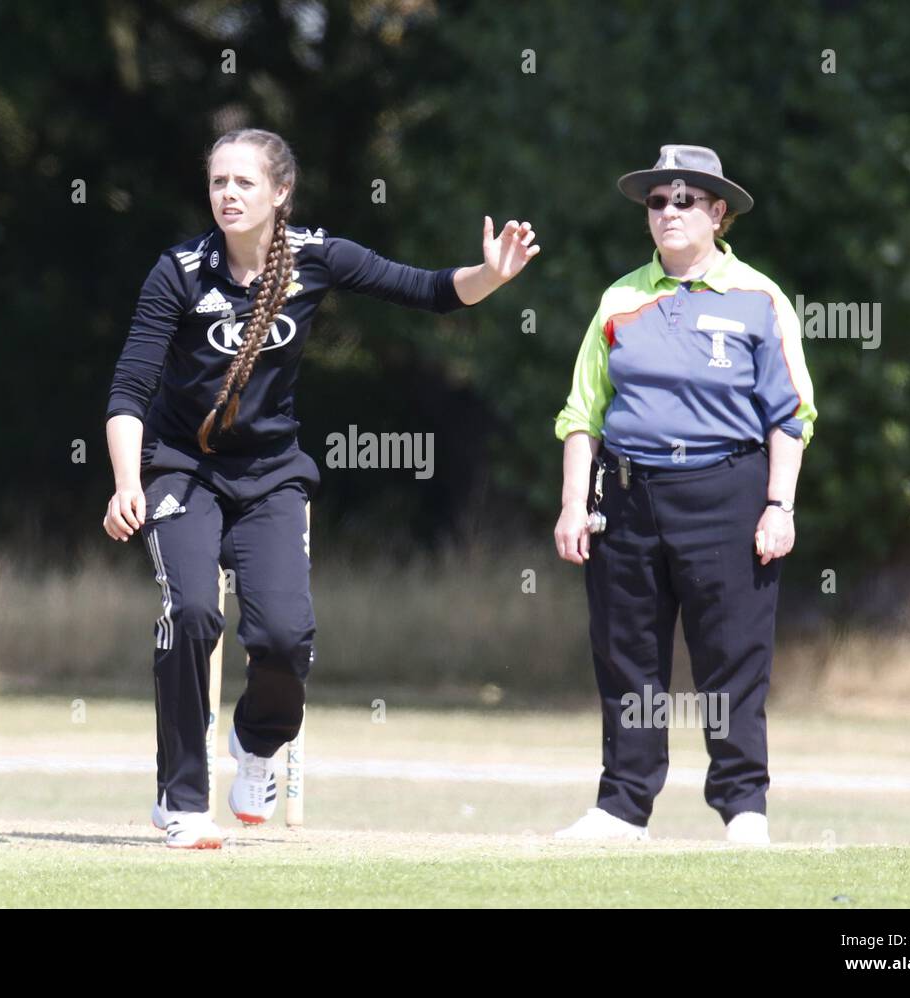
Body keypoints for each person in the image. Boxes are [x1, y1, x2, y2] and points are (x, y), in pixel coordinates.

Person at [103, 128, 540, 848]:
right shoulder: (177, 271)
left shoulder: (316, 257)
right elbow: (129, 388)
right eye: (218, 182)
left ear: (281, 192)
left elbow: (429, 290)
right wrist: (127, 483)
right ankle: (181, 801)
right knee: (190, 614)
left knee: (283, 636)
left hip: (272, 476)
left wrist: (489, 275)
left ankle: (257, 742)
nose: (228, 195)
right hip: (181, 468)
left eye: (244, 182)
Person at [552, 145, 816, 846]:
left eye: (685, 200)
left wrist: (778, 506)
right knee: (627, 654)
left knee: (732, 655)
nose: (668, 212)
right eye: (657, 201)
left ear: (718, 213)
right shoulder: (620, 299)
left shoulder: (760, 299)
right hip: (630, 495)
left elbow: (791, 415)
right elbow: (583, 412)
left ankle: (742, 807)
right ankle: (623, 806)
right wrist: (575, 503)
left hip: (728, 492)